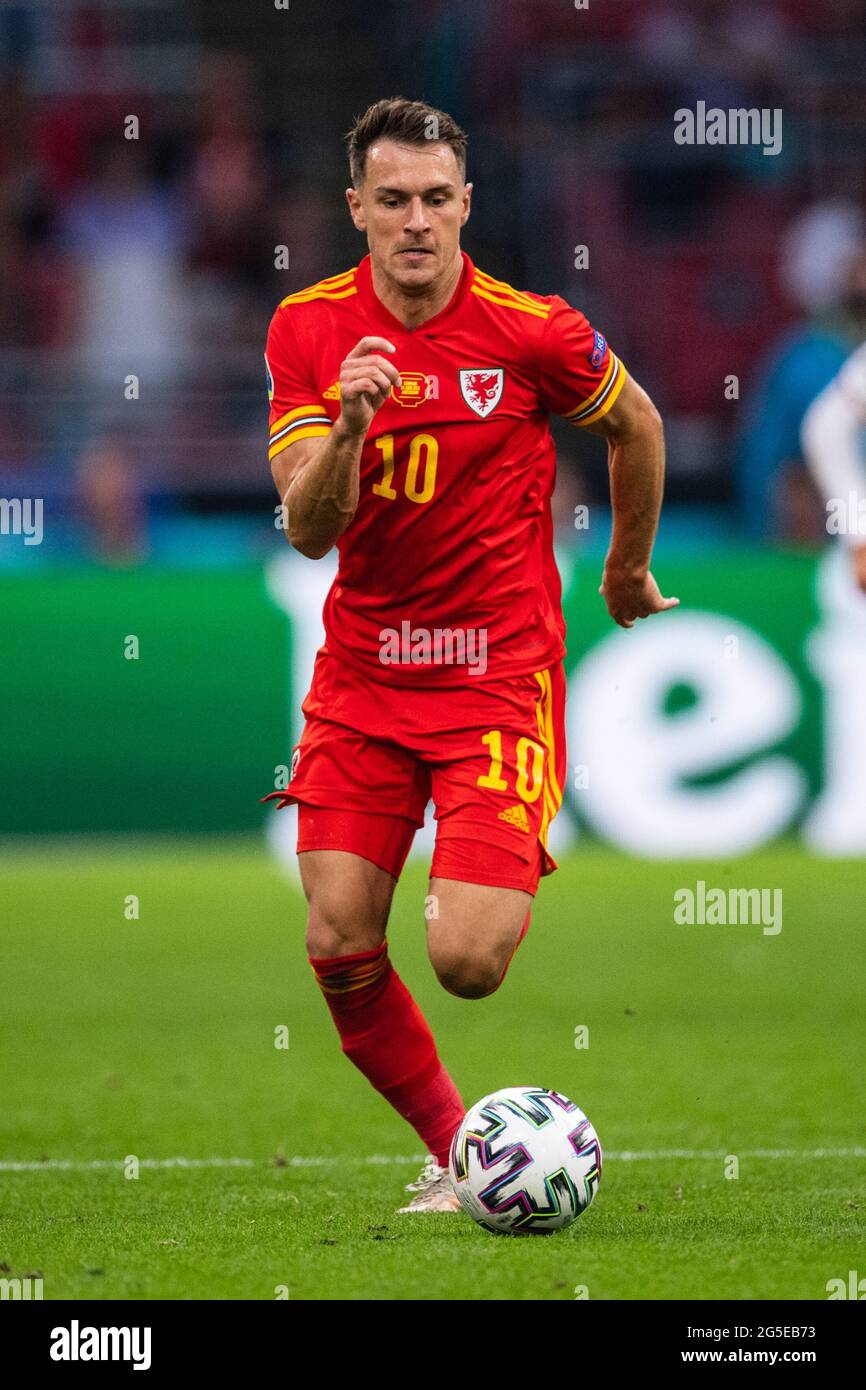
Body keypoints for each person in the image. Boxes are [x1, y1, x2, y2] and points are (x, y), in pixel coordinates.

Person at [263, 98, 676, 1213]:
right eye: (390, 199)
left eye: (435, 199)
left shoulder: (529, 329)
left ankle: (476, 1145)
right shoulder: (305, 329)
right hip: (362, 676)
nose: (414, 221)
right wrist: (348, 425)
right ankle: (461, 1153)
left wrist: (624, 570)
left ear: (465, 206)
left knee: (467, 960)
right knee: (337, 934)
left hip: (495, 677)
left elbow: (635, 421)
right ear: (355, 209)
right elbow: (308, 530)